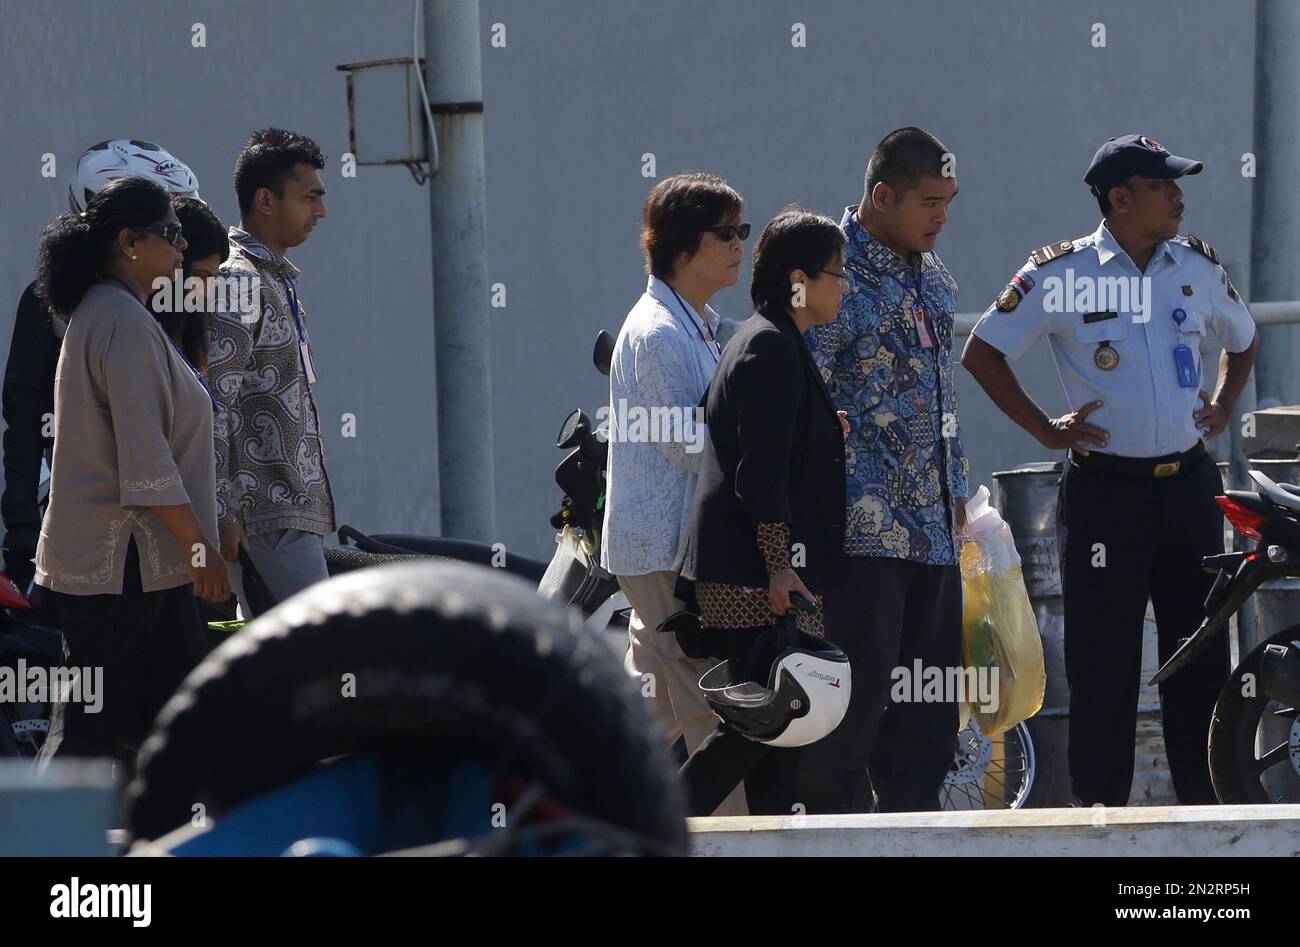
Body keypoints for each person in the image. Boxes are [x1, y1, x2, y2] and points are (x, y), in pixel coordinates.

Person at [961, 134, 1259, 806]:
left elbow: (1244, 341)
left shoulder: (1196, 266)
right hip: (1106, 495)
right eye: (1162, 186)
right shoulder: (1060, 273)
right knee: (1103, 667)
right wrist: (1045, 428)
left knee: (1200, 658)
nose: (1179, 197)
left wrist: (1222, 403)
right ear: (1120, 198)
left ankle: (1209, 823)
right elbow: (983, 352)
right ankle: (1101, 826)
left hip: (1188, 488)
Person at [798, 127, 969, 814]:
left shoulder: (936, 279)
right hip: (861, 539)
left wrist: (957, 492)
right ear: (881, 195)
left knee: (927, 714)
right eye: (929, 201)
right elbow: (797, 395)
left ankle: (915, 834)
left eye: (949, 202)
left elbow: (941, 397)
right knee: (851, 714)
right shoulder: (829, 279)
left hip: (933, 534)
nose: (940, 216)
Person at [31, 176, 229, 766]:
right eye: (170, 234)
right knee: (89, 733)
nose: (180, 249)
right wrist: (201, 550)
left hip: (145, 564)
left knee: (179, 726)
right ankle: (37, 842)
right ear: (128, 242)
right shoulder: (118, 321)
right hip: (122, 565)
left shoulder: (119, 315)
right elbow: (145, 467)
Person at [673, 207, 850, 816]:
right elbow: (760, 474)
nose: (845, 285)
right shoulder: (770, 346)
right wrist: (778, 567)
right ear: (798, 280)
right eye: (837, 273)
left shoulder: (771, 339)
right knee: (765, 722)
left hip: (765, 568)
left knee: (778, 735)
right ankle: (652, 830)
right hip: (760, 574)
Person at [600, 172, 748, 814]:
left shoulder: (700, 323)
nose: (741, 243)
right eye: (727, 233)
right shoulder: (659, 332)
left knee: (650, 712)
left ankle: (585, 806)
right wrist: (767, 447)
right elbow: (685, 442)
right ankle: (735, 841)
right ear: (684, 248)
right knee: (708, 711)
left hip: (665, 547)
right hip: (664, 550)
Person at [2, 139, 200, 595]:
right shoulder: (51, 299)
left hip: (165, 528)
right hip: (85, 528)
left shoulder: (168, 296)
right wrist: (21, 525)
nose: (179, 240)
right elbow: (24, 412)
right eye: (166, 222)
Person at [210, 128, 333, 611]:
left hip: (283, 517)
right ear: (266, 199)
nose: (321, 211)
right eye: (310, 197)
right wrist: (222, 513)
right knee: (325, 652)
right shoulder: (239, 280)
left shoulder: (270, 277)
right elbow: (212, 402)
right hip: (264, 516)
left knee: (290, 664)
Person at [153, 196, 230, 374]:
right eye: (200, 275)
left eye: (213, 278)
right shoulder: (135, 327)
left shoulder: (193, 329)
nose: (205, 290)